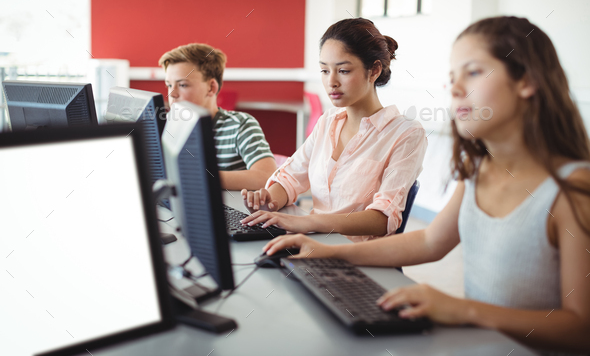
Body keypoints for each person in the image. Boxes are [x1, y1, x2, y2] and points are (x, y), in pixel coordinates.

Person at [262, 17, 590, 354]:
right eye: (452, 77)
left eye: (473, 72)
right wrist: (330, 252)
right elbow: (432, 240)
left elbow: (582, 330)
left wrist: (464, 311)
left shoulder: (574, 190)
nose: (456, 88)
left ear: (527, 81)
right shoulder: (481, 171)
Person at [241, 18, 428, 241]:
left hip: (358, 257)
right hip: (313, 243)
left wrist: (307, 222)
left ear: (374, 70)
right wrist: (269, 201)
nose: (331, 82)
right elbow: (290, 177)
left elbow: (382, 219)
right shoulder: (328, 121)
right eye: (324, 70)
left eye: (344, 71)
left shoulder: (406, 134)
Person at [159, 43, 277, 190]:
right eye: (169, 85)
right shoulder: (166, 126)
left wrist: (195, 177)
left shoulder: (240, 125)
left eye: (182, 85)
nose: (172, 94)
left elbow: (267, 177)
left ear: (211, 87)